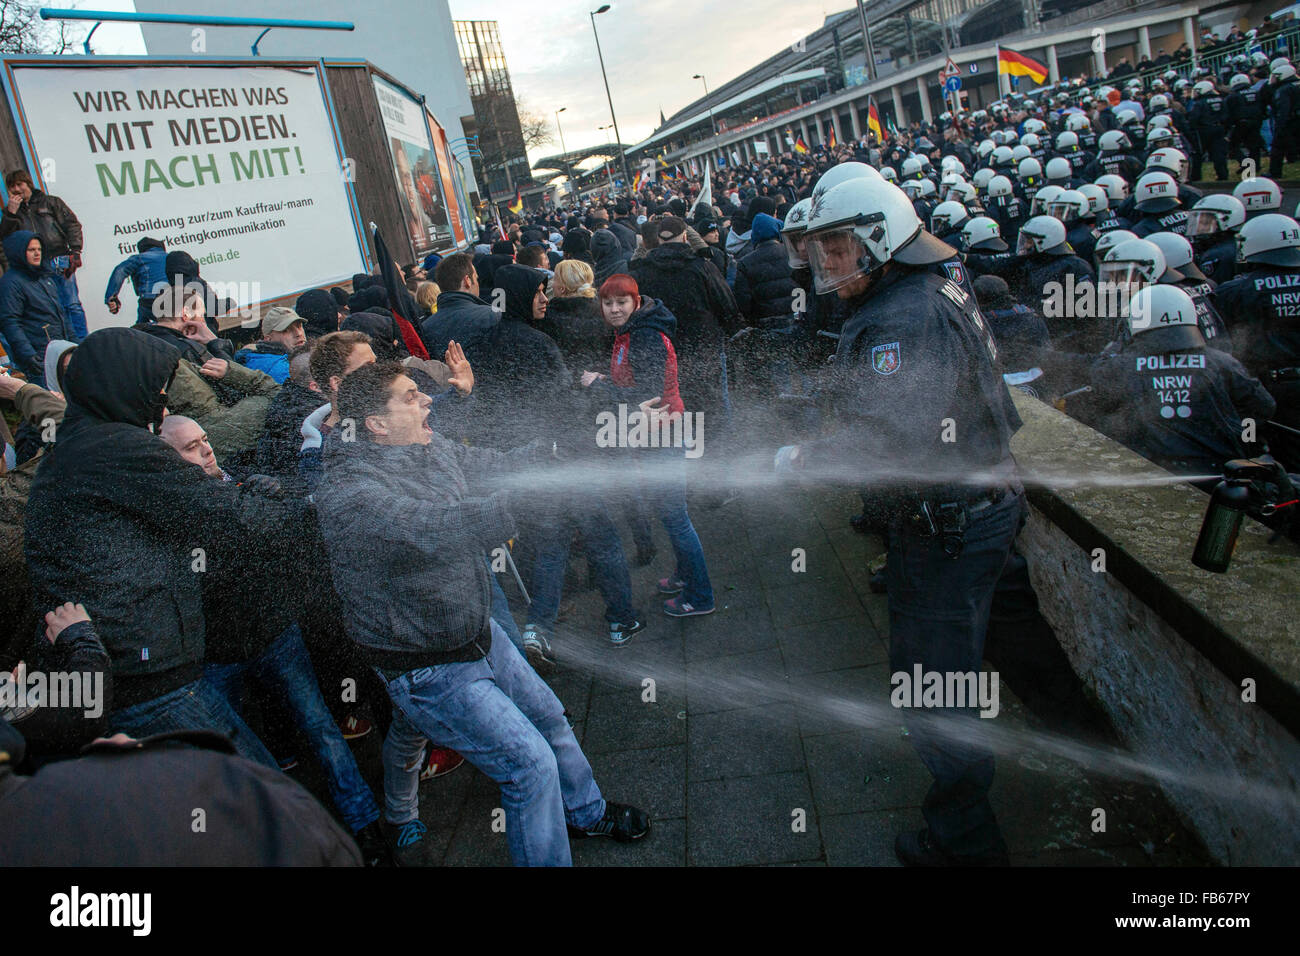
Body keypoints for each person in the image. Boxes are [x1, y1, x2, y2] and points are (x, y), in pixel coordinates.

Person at [314, 360, 650, 866]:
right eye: (410, 396)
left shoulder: (427, 446)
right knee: (529, 767)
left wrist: (561, 450)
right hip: (428, 665)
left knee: (550, 720)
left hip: (476, 629)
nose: (427, 399)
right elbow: (435, 526)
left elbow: (493, 465)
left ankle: (585, 813)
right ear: (376, 425)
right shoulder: (349, 492)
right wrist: (518, 506)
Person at [782, 177, 1023, 866]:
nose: (825, 263)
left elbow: (894, 437)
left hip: (945, 528)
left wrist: (808, 455)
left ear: (881, 238)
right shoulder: (923, 285)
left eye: (837, 246)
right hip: (984, 501)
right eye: (818, 248)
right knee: (1014, 643)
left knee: (932, 689)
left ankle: (965, 845)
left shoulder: (900, 318)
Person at [22, 327, 307, 761]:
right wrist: (311, 499)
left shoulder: (80, 446)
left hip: (135, 665)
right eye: (154, 387)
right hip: (149, 678)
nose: (162, 399)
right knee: (255, 802)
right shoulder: (114, 448)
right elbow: (228, 520)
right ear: (120, 383)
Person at [157, 414, 389, 865]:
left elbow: (287, 530)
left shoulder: (240, 484)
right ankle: (296, 844)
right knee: (244, 752)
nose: (205, 449)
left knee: (322, 729)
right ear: (165, 458)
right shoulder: (172, 512)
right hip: (218, 655)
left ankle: (367, 831)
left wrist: (270, 494)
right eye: (190, 447)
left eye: (204, 439)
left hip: (275, 634)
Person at [583, 274, 715, 617]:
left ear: (636, 302)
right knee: (671, 515)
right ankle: (686, 576)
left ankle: (701, 597)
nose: (614, 309)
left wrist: (599, 386)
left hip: (665, 435)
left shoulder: (645, 337)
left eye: (621, 302)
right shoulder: (631, 331)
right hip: (655, 435)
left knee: (675, 518)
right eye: (608, 303)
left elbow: (649, 396)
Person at [2, 170, 86, 341]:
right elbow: (5, 238)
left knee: (71, 303)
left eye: (20, 184)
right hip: (35, 266)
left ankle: (83, 342)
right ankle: (65, 344)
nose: (16, 189)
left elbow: (72, 224)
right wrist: (11, 213)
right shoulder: (11, 212)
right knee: (51, 307)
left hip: (59, 257)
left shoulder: (50, 202)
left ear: (28, 184)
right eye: (12, 187)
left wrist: (76, 251)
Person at [0, 231, 69, 387]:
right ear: (19, 252)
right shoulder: (11, 283)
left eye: (39, 249)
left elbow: (61, 315)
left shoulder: (45, 277)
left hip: (60, 354)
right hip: (39, 359)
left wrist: (73, 344)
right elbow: (10, 322)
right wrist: (29, 355)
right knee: (51, 407)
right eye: (31, 250)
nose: (37, 253)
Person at [423, 253, 498, 356]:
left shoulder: (425, 328)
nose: (477, 283)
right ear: (467, 281)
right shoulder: (492, 316)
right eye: (476, 278)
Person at [734, 213, 797, 326]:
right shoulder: (793, 254)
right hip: (795, 320)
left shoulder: (745, 263)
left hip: (764, 325)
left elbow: (743, 302)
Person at [234, 307, 307, 384]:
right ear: (268, 339)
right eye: (286, 330)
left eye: (299, 326)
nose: (299, 333)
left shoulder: (263, 355)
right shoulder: (280, 368)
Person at [105, 237, 168, 325]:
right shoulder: (171, 257)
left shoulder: (140, 258)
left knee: (142, 319)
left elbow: (120, 271)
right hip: (173, 300)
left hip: (149, 301)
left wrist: (111, 297)